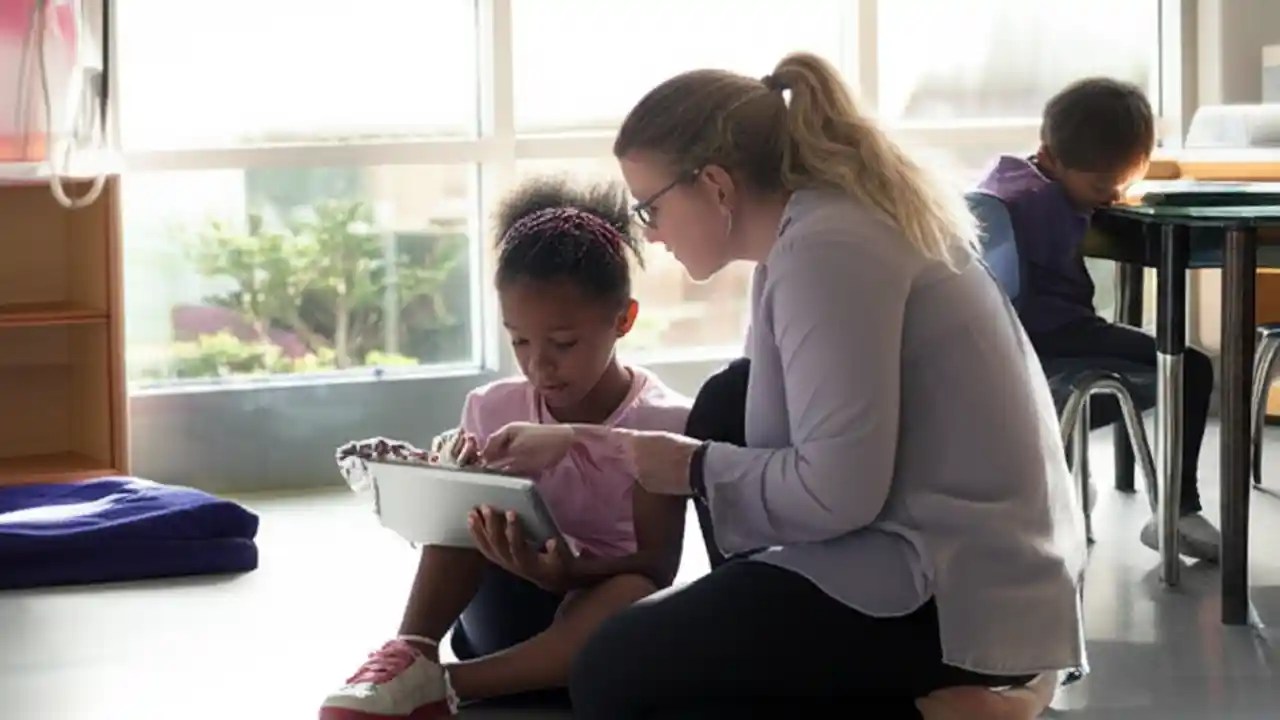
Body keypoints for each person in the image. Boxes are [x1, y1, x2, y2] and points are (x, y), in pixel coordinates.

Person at [479, 53, 1085, 719]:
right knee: (725, 401)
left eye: (650, 207)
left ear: (714, 185)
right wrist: (582, 440)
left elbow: (838, 491)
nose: (649, 233)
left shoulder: (830, 252)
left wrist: (694, 466)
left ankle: (960, 708)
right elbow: (768, 436)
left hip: (954, 592)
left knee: (613, 676)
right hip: (927, 546)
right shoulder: (809, 237)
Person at [318, 178, 691, 720]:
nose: (539, 366)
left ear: (623, 320)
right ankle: (409, 655)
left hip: (595, 618)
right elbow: (452, 535)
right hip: (503, 606)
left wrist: (569, 574)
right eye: (519, 341)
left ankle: (444, 685)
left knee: (631, 591)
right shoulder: (492, 406)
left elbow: (659, 566)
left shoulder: (663, 420)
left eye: (563, 344)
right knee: (462, 516)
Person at [975, 77, 1220, 562]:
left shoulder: (1002, 183)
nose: (1108, 198)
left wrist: (1090, 194)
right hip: (1056, 336)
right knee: (1191, 366)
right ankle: (1180, 510)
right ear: (1053, 157)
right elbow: (1091, 227)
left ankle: (1068, 472)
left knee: (1158, 358)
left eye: (1118, 185)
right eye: (1100, 186)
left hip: (1011, 344)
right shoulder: (1043, 205)